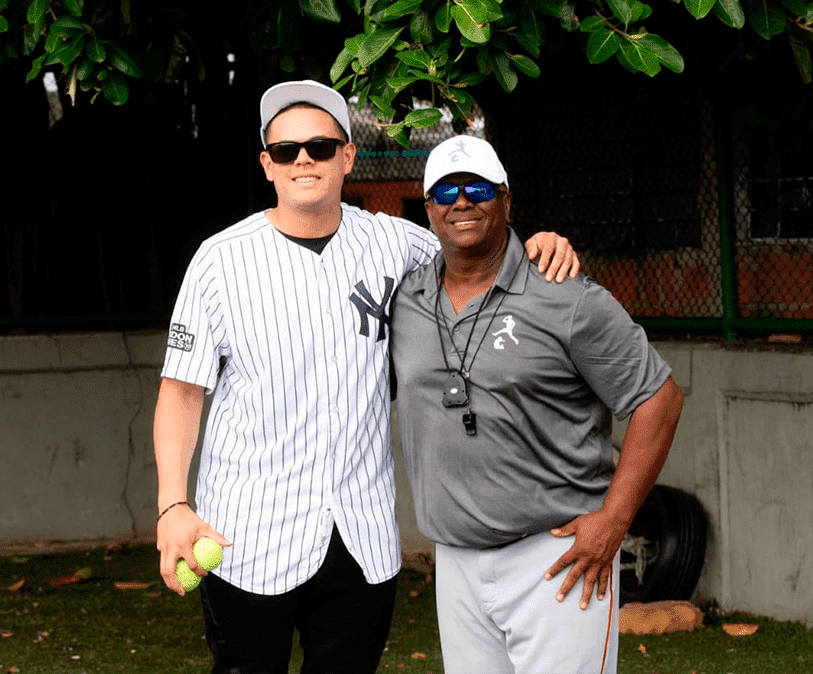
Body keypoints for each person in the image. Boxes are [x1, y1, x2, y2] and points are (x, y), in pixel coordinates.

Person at [152, 80, 580, 674]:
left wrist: (537, 242)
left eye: (321, 147)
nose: (304, 160)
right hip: (248, 532)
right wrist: (172, 505)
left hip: (360, 536)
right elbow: (180, 391)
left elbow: (476, 249)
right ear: (267, 165)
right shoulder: (219, 260)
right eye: (286, 150)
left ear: (348, 156)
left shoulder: (396, 245)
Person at [390, 135, 685, 674]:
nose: (462, 202)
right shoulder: (405, 299)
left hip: (559, 555)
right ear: (428, 208)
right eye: (446, 192)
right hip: (454, 561)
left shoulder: (564, 294)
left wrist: (614, 519)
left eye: (478, 189)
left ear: (506, 200)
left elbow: (658, 399)